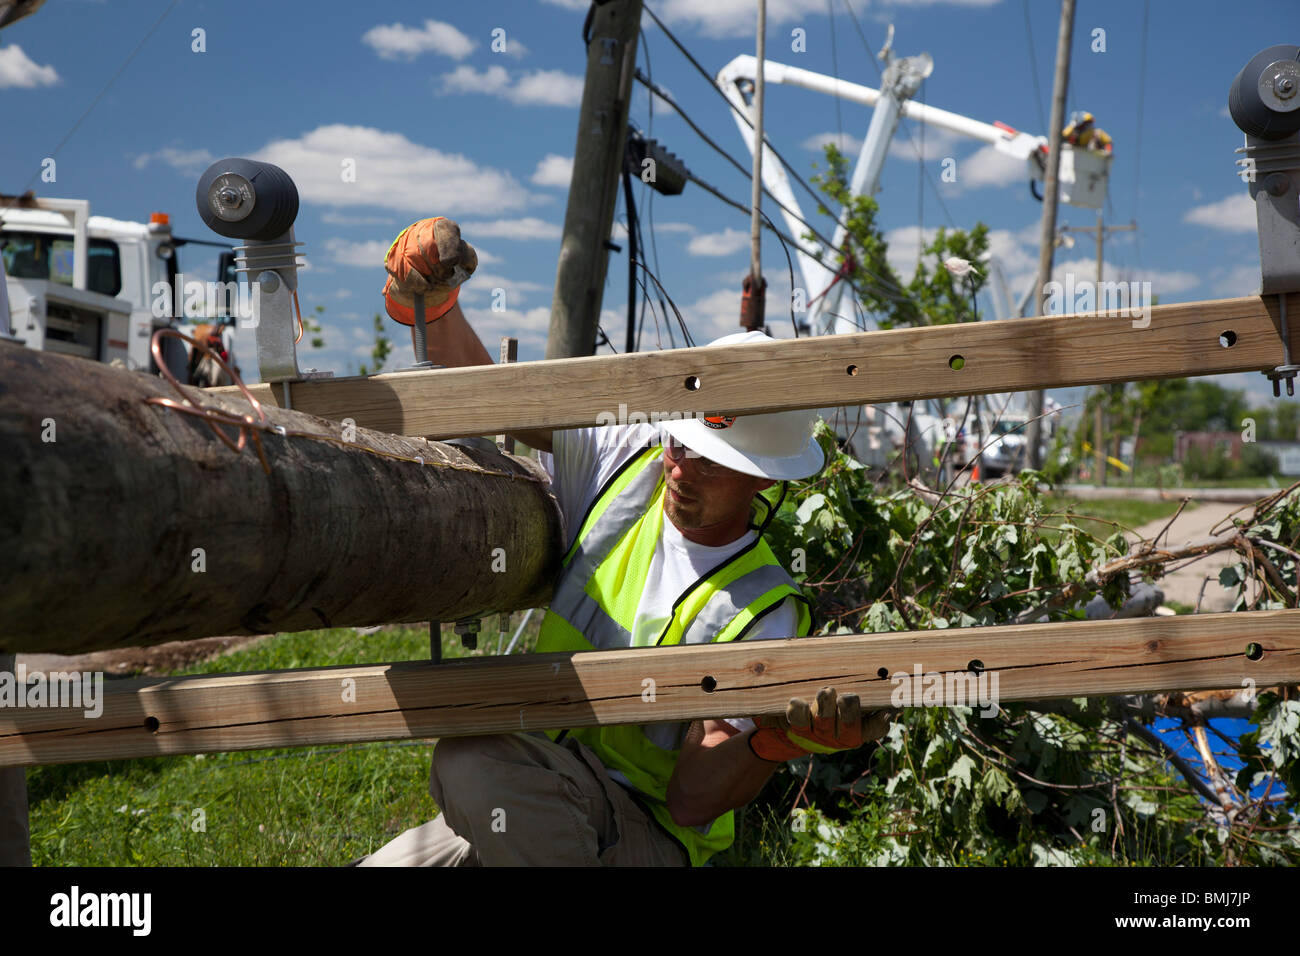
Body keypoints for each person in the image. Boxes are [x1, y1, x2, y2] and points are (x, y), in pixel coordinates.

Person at [358, 218, 892, 867]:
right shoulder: (625, 464)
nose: (680, 466)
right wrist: (437, 302)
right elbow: (495, 397)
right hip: (539, 782)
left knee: (472, 760)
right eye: (681, 442)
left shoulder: (763, 609)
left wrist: (772, 746)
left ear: (761, 478)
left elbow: (693, 805)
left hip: (640, 831)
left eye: (710, 460)